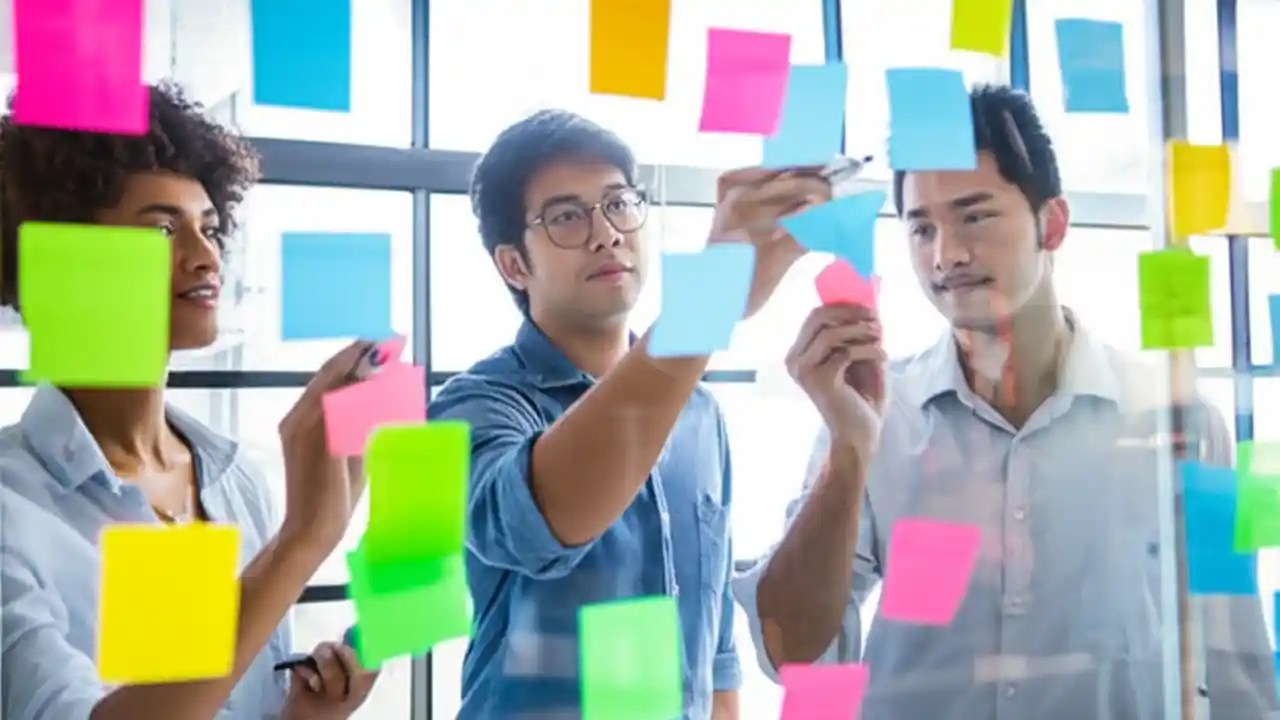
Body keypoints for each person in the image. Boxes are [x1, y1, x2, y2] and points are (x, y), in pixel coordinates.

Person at [733, 84, 1279, 719]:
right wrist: (850, 452)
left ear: (1052, 223)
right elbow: (792, 656)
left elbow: (1238, 669)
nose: (947, 255)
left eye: (975, 215)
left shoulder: (1180, 421)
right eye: (922, 228)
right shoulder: (871, 415)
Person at [429, 109, 832, 718]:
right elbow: (548, 522)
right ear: (513, 264)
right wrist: (705, 307)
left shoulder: (698, 411)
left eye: (619, 204)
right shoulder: (471, 408)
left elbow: (714, 643)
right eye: (567, 216)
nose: (606, 233)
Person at [0, 82, 379, 720]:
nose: (206, 257)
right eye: (161, 230)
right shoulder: (13, 508)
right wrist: (301, 543)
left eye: (208, 228)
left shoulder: (235, 483)